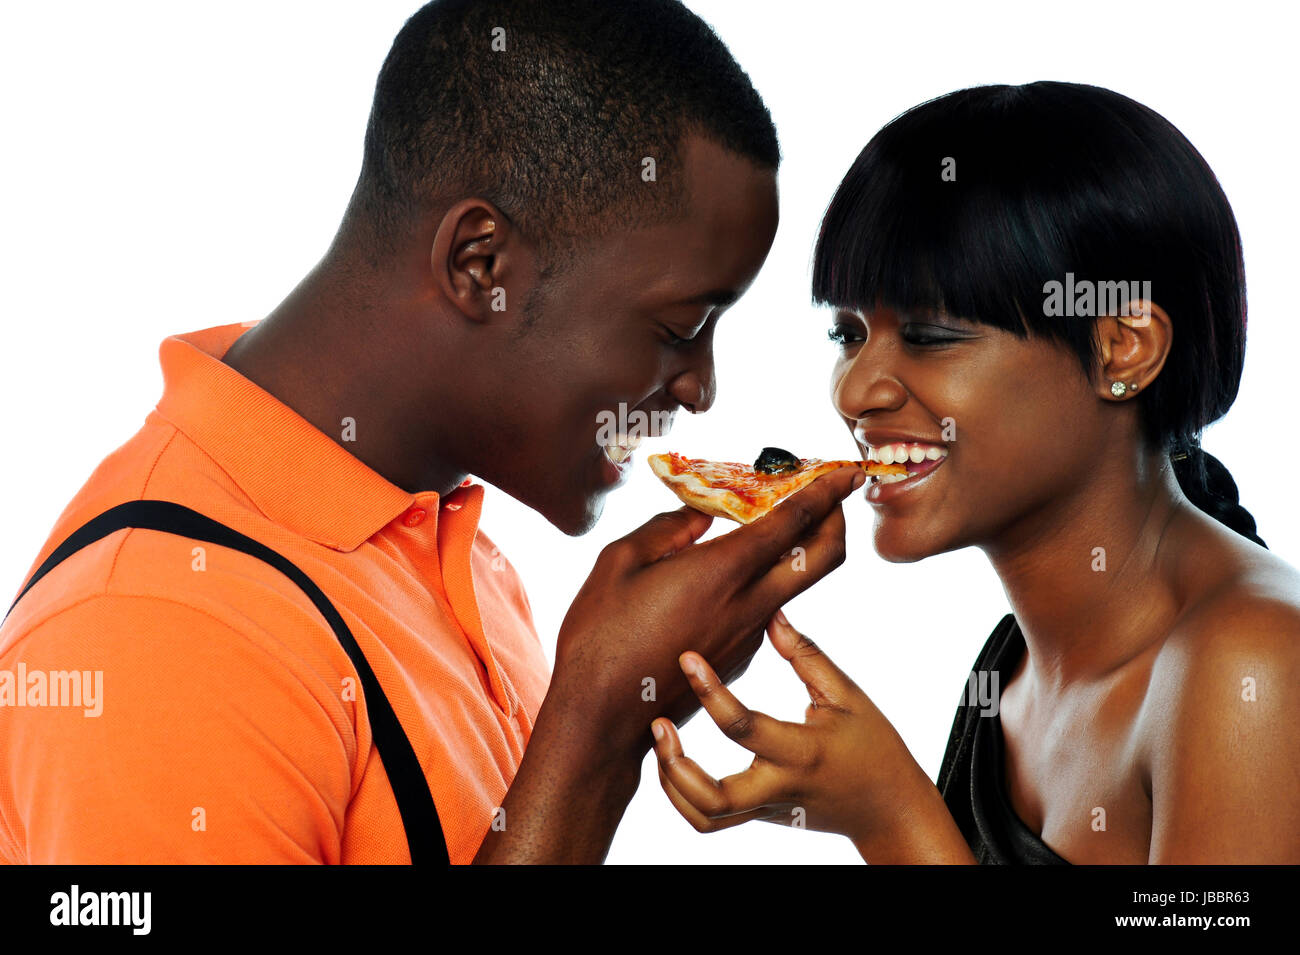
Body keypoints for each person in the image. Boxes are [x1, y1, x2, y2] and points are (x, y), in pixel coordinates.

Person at [0, 0, 866, 864]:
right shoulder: (164, 633)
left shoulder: (451, 548)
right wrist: (595, 729)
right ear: (477, 264)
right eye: (682, 327)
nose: (701, 389)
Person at [650, 81, 1300, 864]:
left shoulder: (1251, 664)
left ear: (1121, 349)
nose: (856, 391)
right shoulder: (1011, 664)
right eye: (848, 332)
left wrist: (892, 816)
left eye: (926, 334)